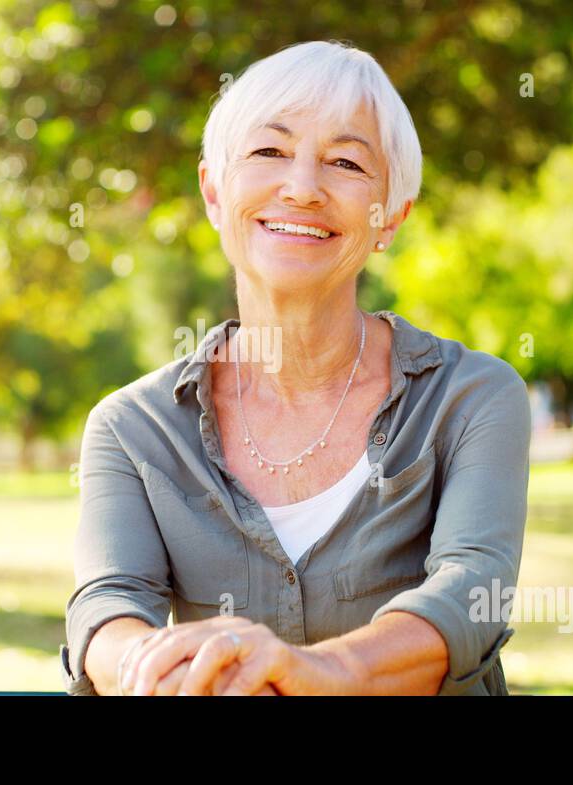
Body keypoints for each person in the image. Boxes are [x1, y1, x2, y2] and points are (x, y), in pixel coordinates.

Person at [61, 40, 531, 696]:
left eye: (344, 162)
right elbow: (107, 607)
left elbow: (470, 595)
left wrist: (316, 671)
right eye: (269, 151)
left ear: (391, 215)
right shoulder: (133, 428)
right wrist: (150, 668)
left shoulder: (472, 397)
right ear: (214, 192)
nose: (302, 188)